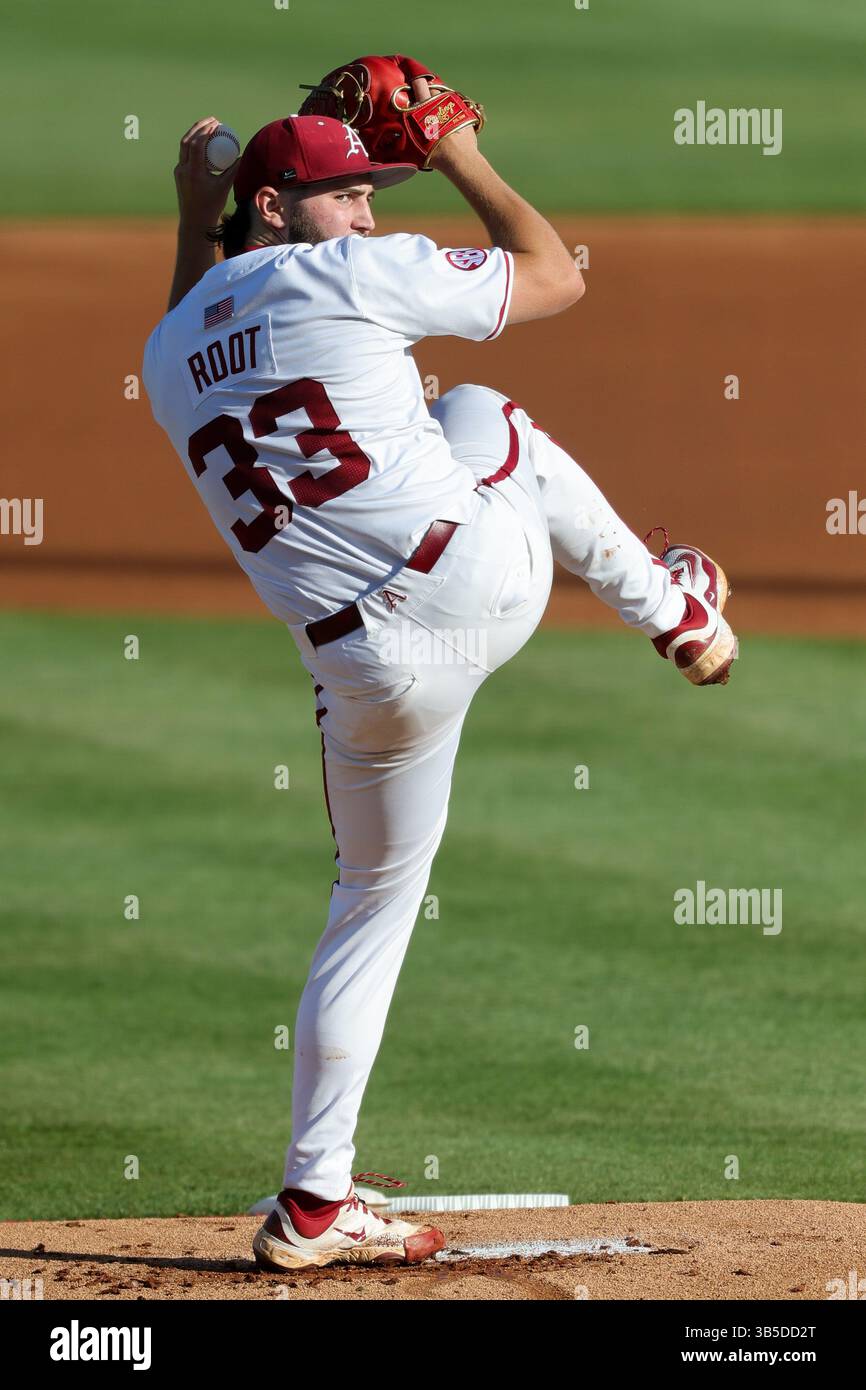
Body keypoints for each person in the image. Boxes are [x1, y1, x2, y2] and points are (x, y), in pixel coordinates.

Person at [143, 99, 737, 1273]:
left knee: (366, 904)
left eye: (374, 192)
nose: (365, 213)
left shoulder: (165, 358)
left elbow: (190, 316)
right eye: (344, 193)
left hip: (357, 675)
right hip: (466, 589)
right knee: (480, 412)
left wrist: (191, 214)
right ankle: (676, 612)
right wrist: (458, 147)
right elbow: (556, 277)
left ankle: (314, 1200)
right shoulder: (350, 278)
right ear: (277, 207)